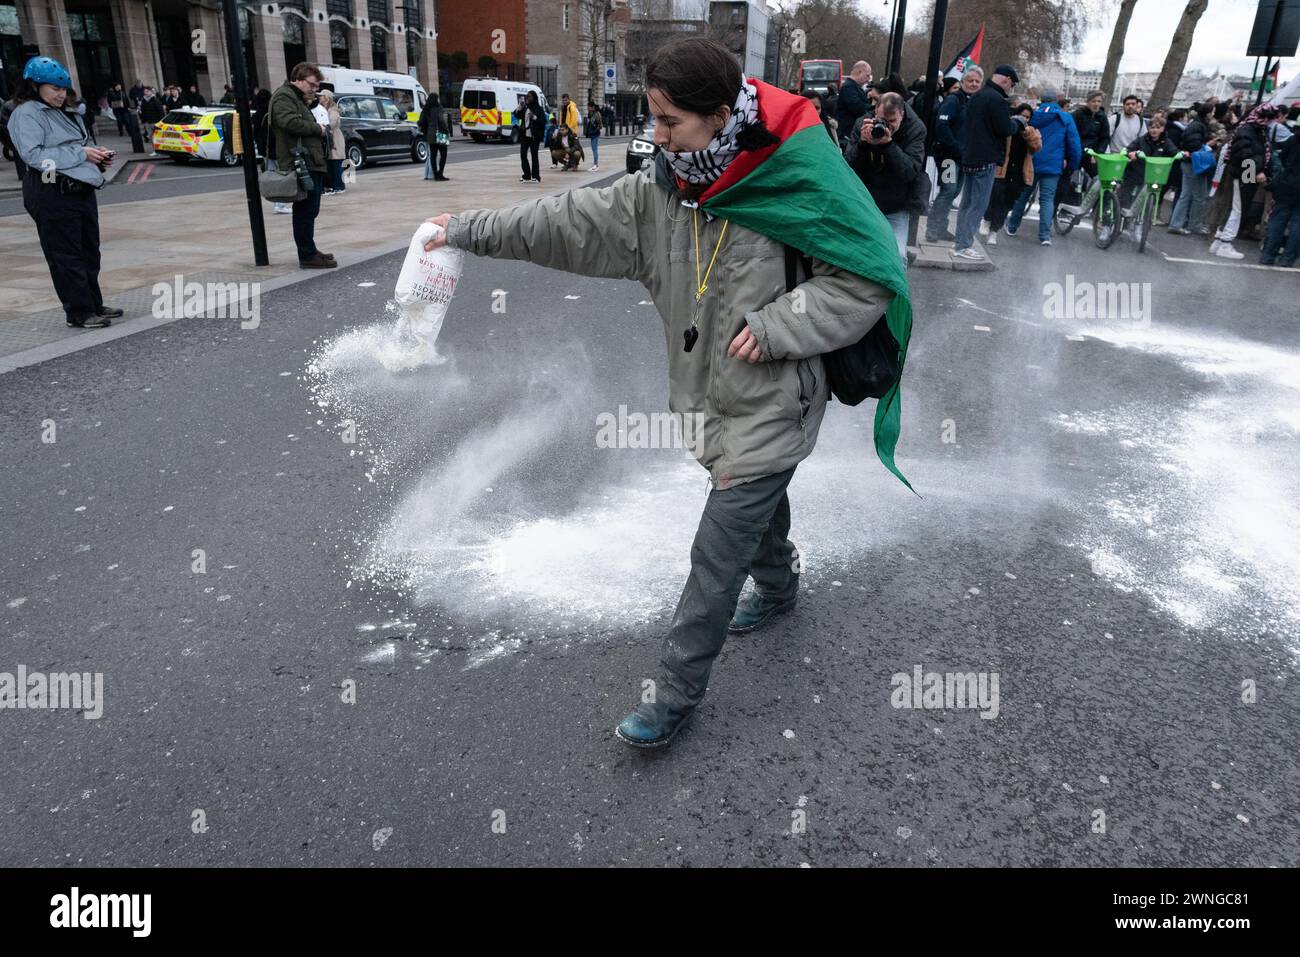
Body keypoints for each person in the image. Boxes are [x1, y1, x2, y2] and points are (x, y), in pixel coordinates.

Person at [419, 35, 910, 750]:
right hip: (710, 402)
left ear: (720, 117)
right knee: (753, 507)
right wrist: (465, 230)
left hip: (776, 401)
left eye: (669, 120)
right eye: (653, 117)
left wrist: (778, 325)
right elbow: (561, 224)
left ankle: (673, 695)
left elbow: (868, 277)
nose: (656, 134)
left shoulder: (798, 177)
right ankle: (780, 585)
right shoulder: (665, 190)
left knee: (717, 552)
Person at [8, 56, 123, 329]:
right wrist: (81, 154)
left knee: (89, 251)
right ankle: (79, 312)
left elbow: (79, 146)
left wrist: (97, 157)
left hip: (79, 190)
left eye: (64, 89)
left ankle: (93, 303)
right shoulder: (27, 114)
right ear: (34, 86)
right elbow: (35, 157)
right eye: (55, 88)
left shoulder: (64, 111)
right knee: (65, 255)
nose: (61, 94)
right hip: (50, 189)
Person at [844, 91, 925, 263]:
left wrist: (888, 145)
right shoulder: (862, 124)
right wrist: (862, 144)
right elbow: (848, 167)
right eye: (881, 120)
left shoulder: (916, 129)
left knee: (898, 256)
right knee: (858, 255)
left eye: (892, 121)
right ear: (875, 112)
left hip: (896, 205)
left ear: (902, 114)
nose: (886, 127)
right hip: (865, 203)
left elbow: (910, 172)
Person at [952, 63, 1021, 261]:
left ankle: (959, 242)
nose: (1010, 89)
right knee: (978, 205)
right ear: (1007, 80)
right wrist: (1017, 123)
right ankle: (964, 245)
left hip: (970, 155)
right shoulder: (997, 99)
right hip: (985, 157)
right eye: (1012, 85)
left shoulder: (978, 96)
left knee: (966, 203)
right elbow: (1005, 128)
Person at [270, 62, 335, 268]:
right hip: (300, 161)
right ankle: (307, 255)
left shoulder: (297, 98)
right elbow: (289, 123)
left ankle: (310, 249)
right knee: (305, 210)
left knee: (310, 209)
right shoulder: (284, 97)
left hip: (309, 160)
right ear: (298, 79)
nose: (315, 90)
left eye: (317, 86)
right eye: (312, 85)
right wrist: (318, 128)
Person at [1004, 87, 1080, 246]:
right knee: (1047, 199)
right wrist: (1072, 165)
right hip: (1053, 165)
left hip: (1031, 162)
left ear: (1041, 101)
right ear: (1056, 101)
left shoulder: (1033, 116)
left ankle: (1012, 226)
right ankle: (1045, 236)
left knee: (1023, 195)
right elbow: (1074, 144)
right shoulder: (1065, 118)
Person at [1210, 103, 1280, 260]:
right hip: (1244, 174)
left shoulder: (1254, 130)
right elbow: (1245, 154)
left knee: (1235, 208)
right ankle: (1225, 243)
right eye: (1267, 118)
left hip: (1243, 173)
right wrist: (1257, 171)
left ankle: (1219, 241)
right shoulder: (1251, 131)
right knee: (1238, 209)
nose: (1268, 121)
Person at [926, 65, 982, 243]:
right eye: (970, 80)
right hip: (948, 156)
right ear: (963, 81)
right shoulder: (953, 100)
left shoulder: (975, 102)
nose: (974, 84)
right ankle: (932, 228)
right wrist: (956, 147)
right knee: (948, 190)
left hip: (964, 157)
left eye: (977, 81)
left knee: (955, 191)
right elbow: (942, 126)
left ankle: (941, 227)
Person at [984, 102, 1040, 245]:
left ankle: (994, 231)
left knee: (1007, 203)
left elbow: (1036, 147)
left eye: (1027, 117)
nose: (1024, 119)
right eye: (1022, 115)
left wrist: (1027, 133)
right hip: (1002, 170)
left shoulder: (1031, 131)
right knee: (995, 197)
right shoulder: (1008, 126)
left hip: (1019, 172)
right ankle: (987, 217)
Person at [1116, 113, 1178, 214]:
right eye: (1152, 127)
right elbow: (1128, 149)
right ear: (1148, 128)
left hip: (1153, 175)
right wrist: (1131, 153)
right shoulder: (1141, 140)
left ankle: (1145, 217)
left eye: (1157, 127)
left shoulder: (1166, 142)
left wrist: (1182, 154)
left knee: (1148, 197)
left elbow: (1174, 152)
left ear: (1162, 129)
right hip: (1135, 173)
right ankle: (1117, 214)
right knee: (1124, 196)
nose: (1154, 130)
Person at [1169, 102, 1213, 235]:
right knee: (1196, 195)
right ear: (1207, 113)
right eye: (1212, 112)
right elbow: (1194, 145)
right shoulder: (1198, 126)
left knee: (1187, 194)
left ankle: (1178, 224)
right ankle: (1190, 224)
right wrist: (1208, 145)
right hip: (1194, 163)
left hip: (1190, 162)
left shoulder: (1195, 124)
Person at [1260, 127, 1300, 266]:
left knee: (1277, 220)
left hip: (1286, 183)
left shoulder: (1292, 139)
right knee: (1297, 225)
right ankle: (1288, 258)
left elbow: (1282, 158)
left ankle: (1268, 255)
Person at [834, 60, 873, 146]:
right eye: (867, 75)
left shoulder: (852, 86)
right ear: (859, 72)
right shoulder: (848, 87)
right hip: (847, 132)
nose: (868, 80)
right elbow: (858, 107)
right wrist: (873, 108)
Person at [317, 90, 346, 194]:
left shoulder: (333, 110)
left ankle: (339, 186)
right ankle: (335, 185)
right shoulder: (324, 109)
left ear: (326, 97)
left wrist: (321, 126)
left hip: (335, 139)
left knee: (336, 164)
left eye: (321, 96)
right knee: (331, 165)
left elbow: (332, 124)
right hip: (330, 138)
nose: (319, 98)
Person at [418, 91, 450, 181]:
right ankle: (440, 174)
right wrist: (447, 130)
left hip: (430, 135)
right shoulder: (439, 108)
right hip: (440, 134)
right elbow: (441, 120)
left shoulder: (426, 109)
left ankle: (435, 174)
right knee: (443, 155)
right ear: (436, 99)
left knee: (433, 155)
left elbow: (420, 122)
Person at [517, 89, 545, 183]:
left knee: (534, 156)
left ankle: (536, 176)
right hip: (525, 135)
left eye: (529, 96)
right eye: (527, 96)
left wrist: (534, 117)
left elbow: (543, 122)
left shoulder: (539, 109)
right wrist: (520, 107)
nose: (527, 98)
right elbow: (516, 115)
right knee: (523, 154)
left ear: (534, 98)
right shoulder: (525, 108)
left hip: (534, 136)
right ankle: (526, 175)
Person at [139, 86, 164, 156]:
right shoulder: (143, 100)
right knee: (151, 137)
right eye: (144, 92)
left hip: (155, 121)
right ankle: (155, 150)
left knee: (158, 137)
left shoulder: (155, 100)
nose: (145, 93)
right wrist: (143, 121)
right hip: (147, 122)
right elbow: (142, 111)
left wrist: (160, 122)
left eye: (147, 91)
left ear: (151, 92)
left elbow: (160, 111)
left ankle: (160, 151)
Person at [584, 99, 602, 171]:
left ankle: (596, 165)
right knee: (594, 149)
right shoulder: (591, 113)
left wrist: (595, 131)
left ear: (592, 107)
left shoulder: (597, 114)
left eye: (588, 107)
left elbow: (600, 125)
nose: (588, 109)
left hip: (595, 134)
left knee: (595, 149)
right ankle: (595, 164)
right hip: (592, 134)